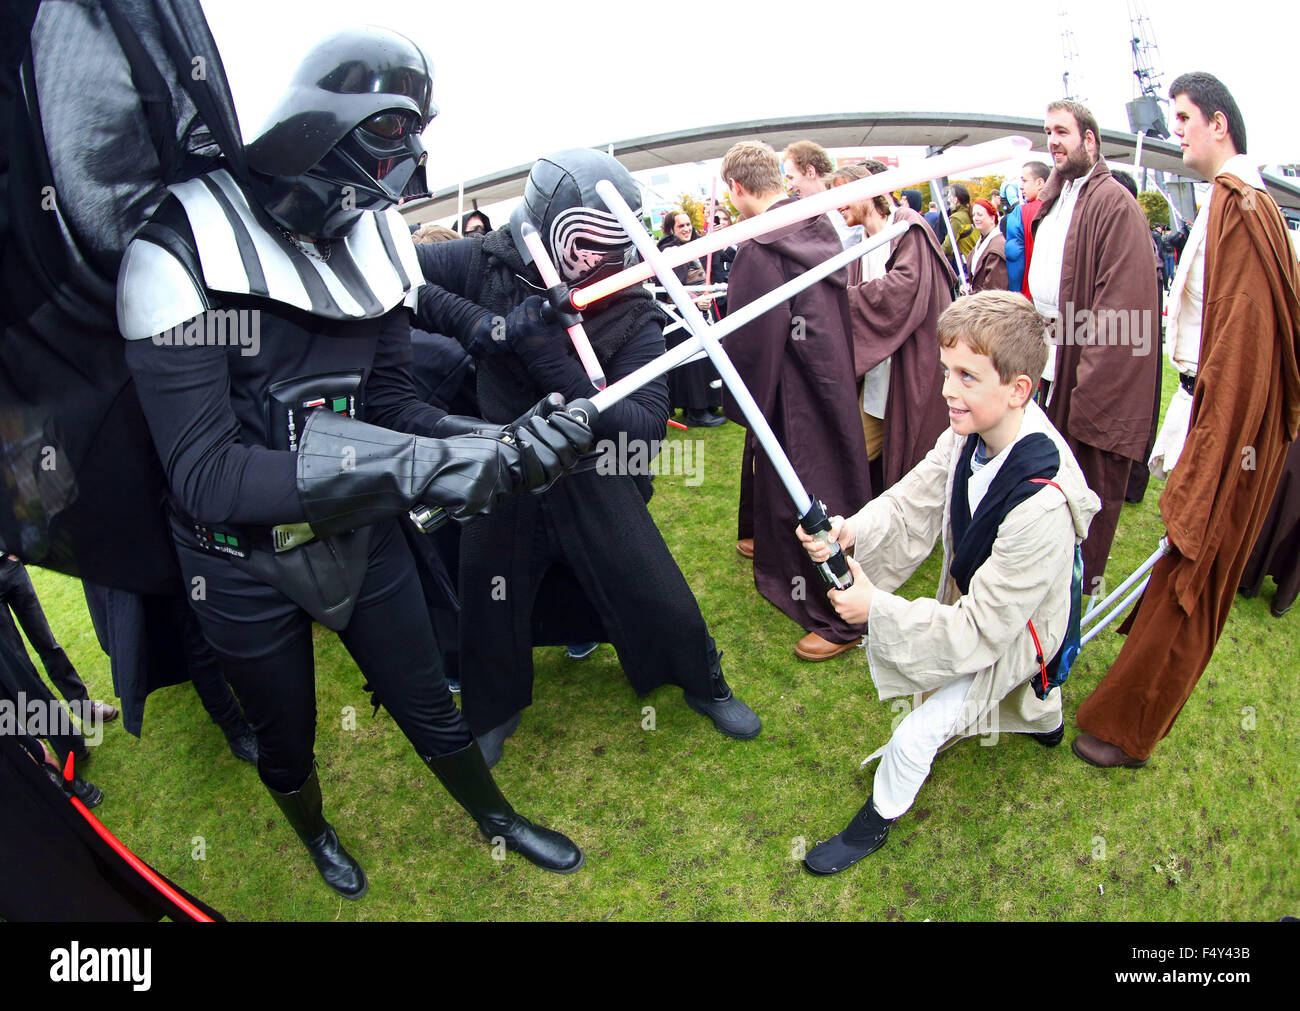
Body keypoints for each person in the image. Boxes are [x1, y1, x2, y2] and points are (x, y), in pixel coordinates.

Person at [116, 28, 597, 897]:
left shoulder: (377, 241)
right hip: (237, 562)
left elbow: (392, 408)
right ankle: (316, 833)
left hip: (357, 529)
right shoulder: (179, 246)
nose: (409, 162)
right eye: (391, 129)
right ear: (316, 124)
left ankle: (496, 817)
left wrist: (497, 441)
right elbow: (207, 474)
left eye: (420, 132)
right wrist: (428, 465)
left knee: (425, 694)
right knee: (286, 732)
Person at [411, 148, 761, 764]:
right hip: (506, 466)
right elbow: (396, 274)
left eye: (613, 243)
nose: (603, 262)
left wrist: (552, 362)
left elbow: (644, 428)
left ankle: (704, 681)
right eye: (587, 243)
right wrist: (486, 325)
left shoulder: (632, 310)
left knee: (654, 587)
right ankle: (492, 708)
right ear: (546, 226)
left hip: (595, 473)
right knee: (489, 595)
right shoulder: (486, 261)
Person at [796, 291, 1099, 873]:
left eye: (966, 376)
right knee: (1018, 689)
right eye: (946, 371)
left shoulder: (1043, 506)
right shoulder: (972, 429)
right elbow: (913, 498)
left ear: (1018, 389)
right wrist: (850, 531)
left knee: (919, 732)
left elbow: (981, 630)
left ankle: (878, 816)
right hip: (988, 600)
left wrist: (877, 610)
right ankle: (1045, 717)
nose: (946, 390)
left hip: (1019, 622)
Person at [1073, 72, 1300, 768]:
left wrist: (1216, 454)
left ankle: (1128, 728)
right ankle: (1126, 712)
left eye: (1183, 118)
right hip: (1208, 409)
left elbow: (1247, 348)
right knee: (1181, 560)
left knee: (1191, 570)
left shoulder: (1243, 206)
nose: (1176, 132)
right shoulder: (1230, 201)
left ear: (1218, 123)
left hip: (1229, 425)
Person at [720, 141, 871, 661]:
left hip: (793, 389)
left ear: (736, 187)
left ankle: (840, 615)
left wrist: (743, 400)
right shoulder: (814, 225)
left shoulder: (761, 247)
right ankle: (802, 566)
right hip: (825, 377)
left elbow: (752, 340)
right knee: (817, 476)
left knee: (806, 487)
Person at [1028, 99, 1161, 593]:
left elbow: (1122, 314)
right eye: (1048, 132)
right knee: (1042, 488)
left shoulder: (1114, 204)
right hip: (1045, 364)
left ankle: (1066, 599)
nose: (1052, 141)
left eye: (1062, 131)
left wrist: (1086, 390)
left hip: (1079, 371)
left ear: (1090, 139)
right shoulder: (1059, 195)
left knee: (1079, 495)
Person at [838, 163, 955, 496]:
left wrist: (841, 298)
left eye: (844, 194)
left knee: (916, 461)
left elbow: (903, 289)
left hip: (910, 367)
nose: (838, 205)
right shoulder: (861, 245)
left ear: (867, 191)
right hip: (878, 377)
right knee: (858, 453)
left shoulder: (906, 226)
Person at [1, 555, 116, 722]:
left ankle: (82, 705)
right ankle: (55, 725)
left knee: (48, 644)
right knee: (20, 663)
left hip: (9, 564)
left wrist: (14, 551)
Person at [657, 210, 725, 427]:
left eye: (688, 224)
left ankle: (705, 404)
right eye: (681, 226)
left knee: (703, 360)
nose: (687, 229)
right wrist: (696, 302)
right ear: (671, 229)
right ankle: (697, 411)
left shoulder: (689, 247)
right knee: (693, 364)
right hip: (681, 317)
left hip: (695, 313)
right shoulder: (670, 251)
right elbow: (672, 288)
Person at [782, 140, 861, 248]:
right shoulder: (817, 210)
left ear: (810, 171)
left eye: (791, 178)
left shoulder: (843, 203)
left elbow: (839, 249)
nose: (789, 187)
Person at [1008, 160, 1049, 297]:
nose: (1020, 187)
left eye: (1024, 181)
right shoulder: (1063, 208)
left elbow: (1014, 256)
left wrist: (1015, 295)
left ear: (1039, 183)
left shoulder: (1020, 213)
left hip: (1030, 294)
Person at [968, 198, 1008, 292]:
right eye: (974, 215)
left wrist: (972, 296)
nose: (975, 218)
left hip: (988, 300)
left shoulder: (996, 248)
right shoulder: (981, 243)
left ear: (992, 218)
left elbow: (994, 288)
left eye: (980, 214)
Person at [939, 183, 978, 270]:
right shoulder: (973, 213)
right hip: (975, 260)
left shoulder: (956, 218)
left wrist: (935, 253)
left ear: (956, 200)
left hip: (964, 264)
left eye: (949, 196)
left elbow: (947, 247)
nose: (948, 199)